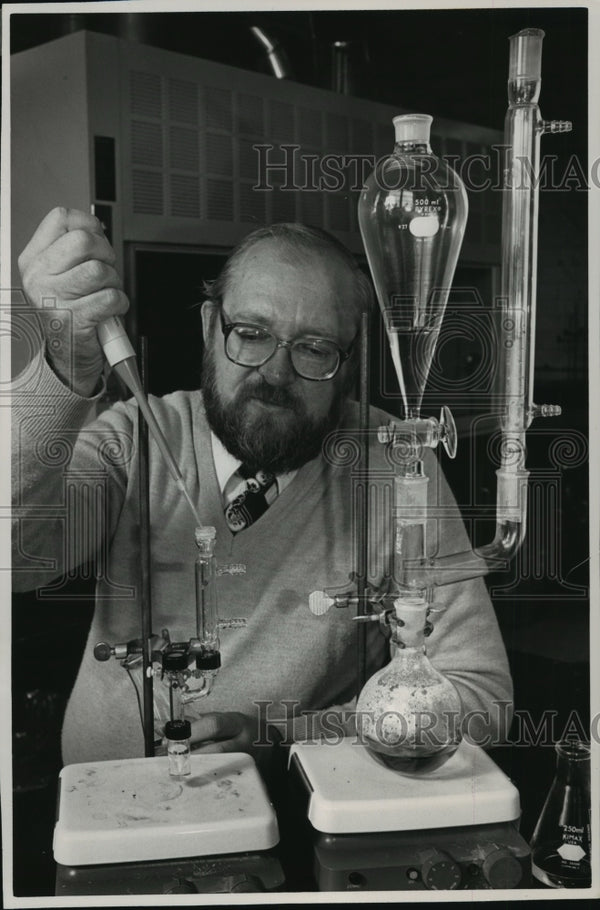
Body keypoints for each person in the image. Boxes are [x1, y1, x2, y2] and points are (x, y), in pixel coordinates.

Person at [12, 207, 513, 767]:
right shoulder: (136, 439)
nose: (275, 373)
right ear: (209, 327)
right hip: (107, 805)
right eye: (251, 335)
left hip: (290, 817)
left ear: (350, 363)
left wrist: (286, 736)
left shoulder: (395, 462)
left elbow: (479, 696)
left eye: (315, 348)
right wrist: (65, 365)